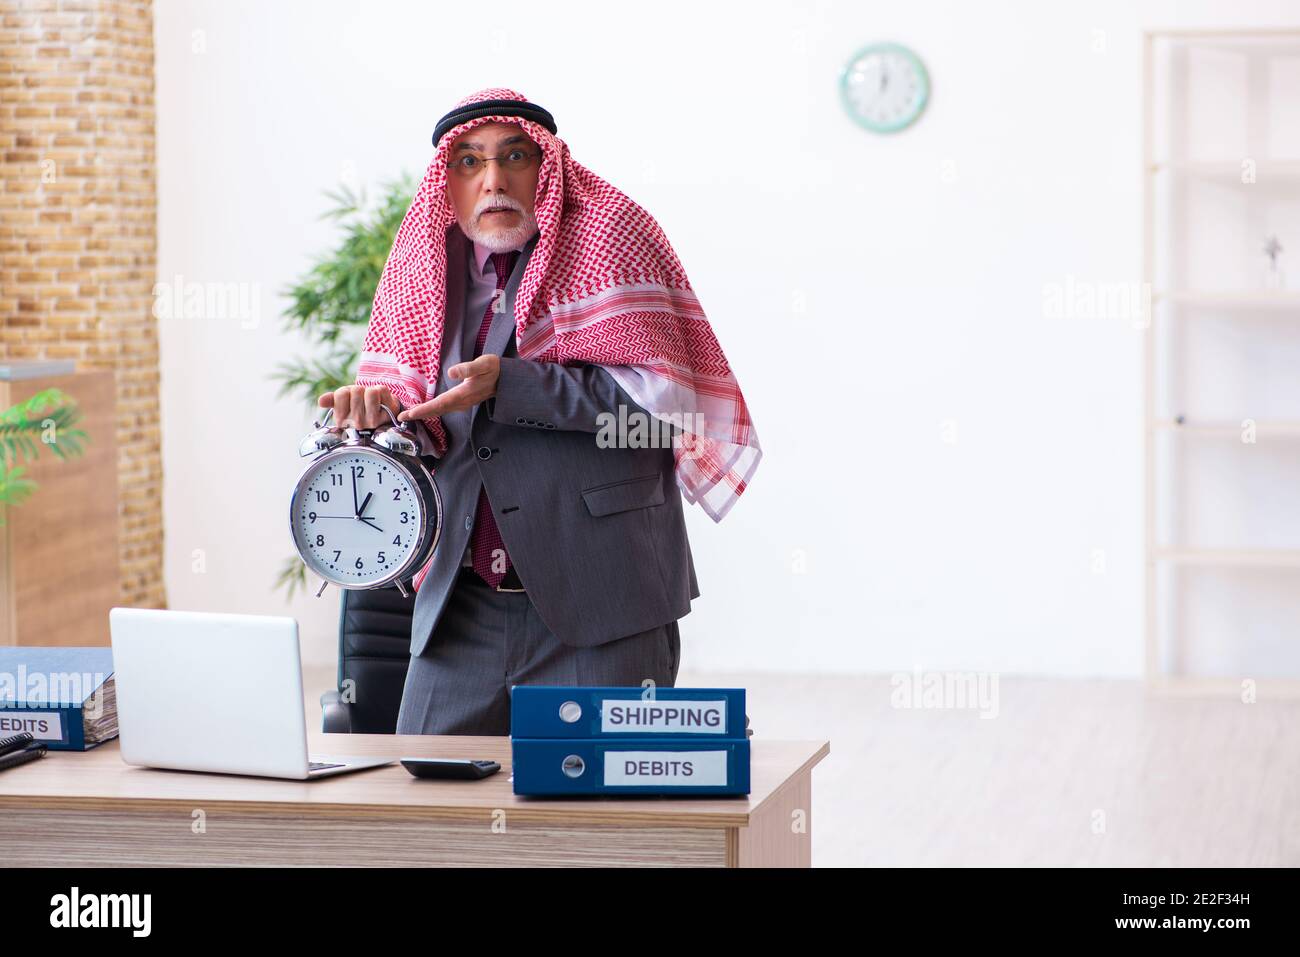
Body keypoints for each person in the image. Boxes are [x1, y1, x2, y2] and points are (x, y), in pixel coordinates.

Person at [319, 88, 760, 735]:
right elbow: (418, 423)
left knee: (592, 822)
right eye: (469, 162)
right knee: (428, 811)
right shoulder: (424, 265)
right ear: (449, 178)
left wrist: (513, 383)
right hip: (460, 607)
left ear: (546, 164)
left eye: (512, 156)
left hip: (604, 600)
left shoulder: (612, 236)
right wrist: (377, 418)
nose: (492, 179)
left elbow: (660, 414)